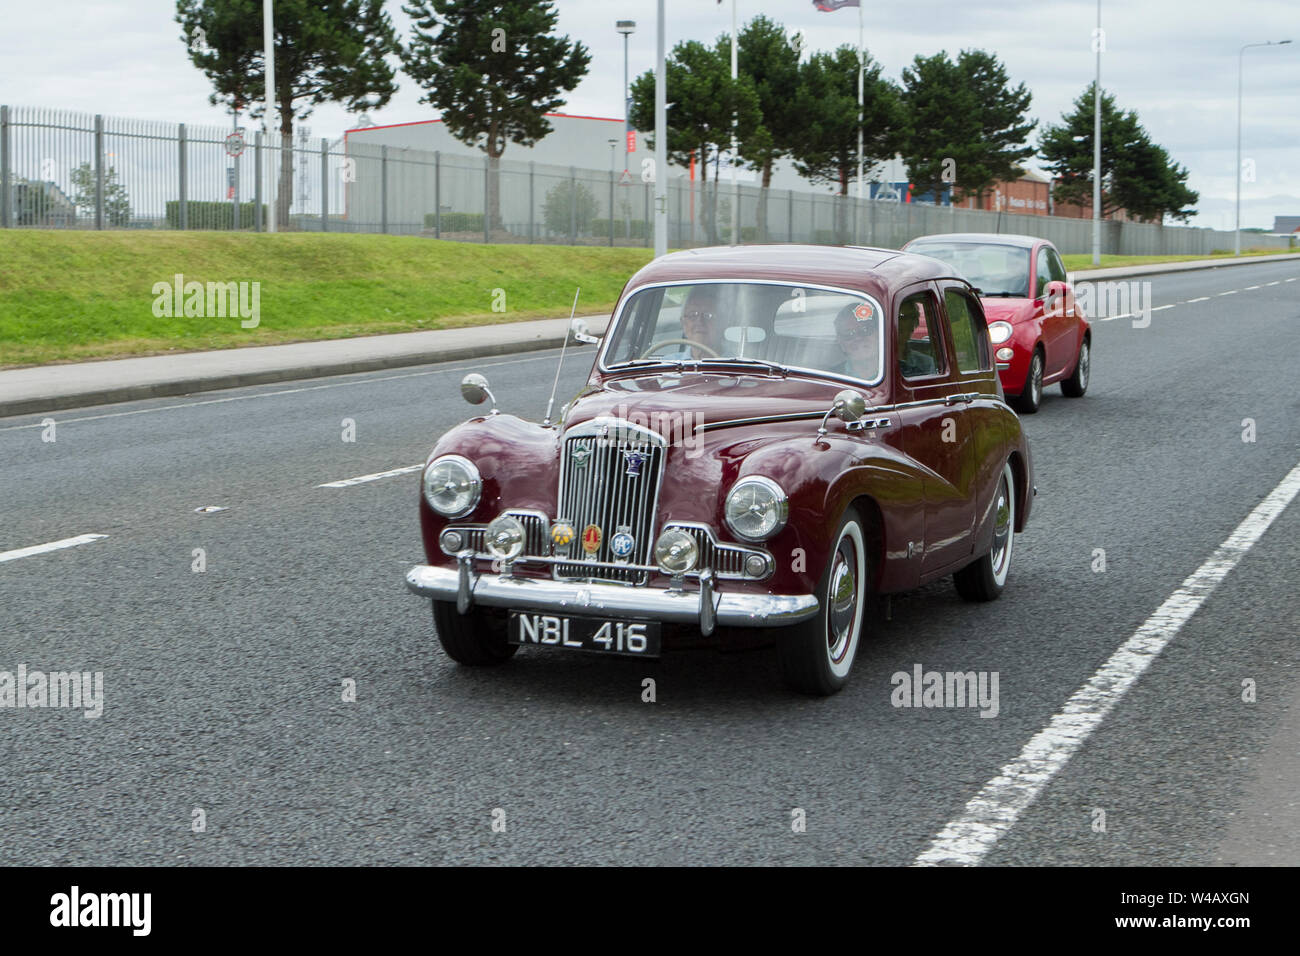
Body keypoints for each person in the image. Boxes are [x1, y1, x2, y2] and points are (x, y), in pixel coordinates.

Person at [664, 285, 726, 360]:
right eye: (693, 314)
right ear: (683, 323)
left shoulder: (736, 365)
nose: (699, 321)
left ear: (722, 323)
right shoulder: (668, 363)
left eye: (708, 315)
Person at [833, 301, 880, 380]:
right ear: (841, 343)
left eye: (865, 330)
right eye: (848, 334)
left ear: (879, 334)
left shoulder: (903, 373)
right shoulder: (830, 378)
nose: (858, 338)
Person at [898, 300, 938, 378]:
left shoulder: (926, 364)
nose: (898, 322)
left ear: (913, 325)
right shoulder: (875, 364)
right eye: (900, 317)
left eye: (903, 317)